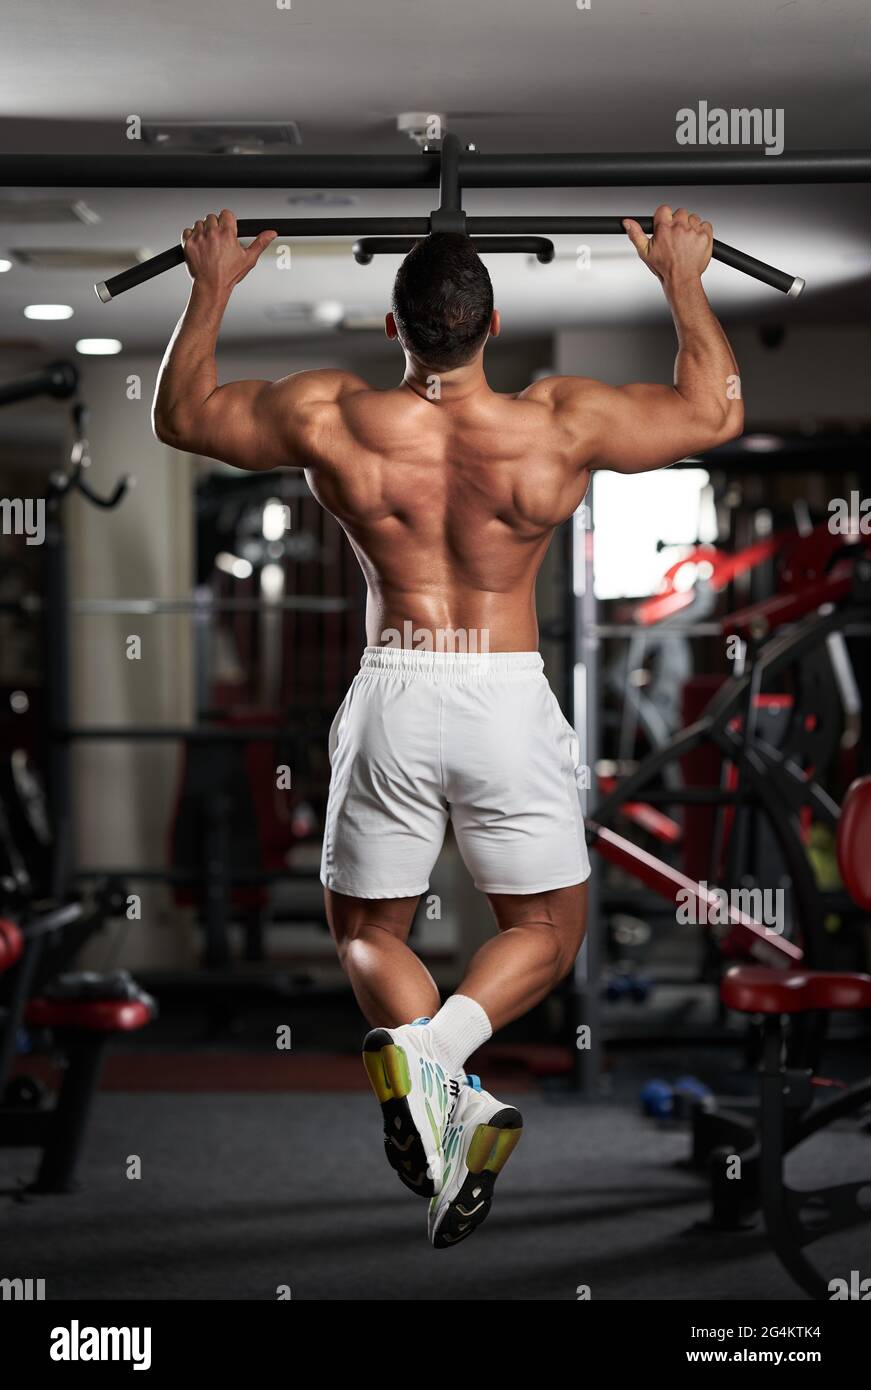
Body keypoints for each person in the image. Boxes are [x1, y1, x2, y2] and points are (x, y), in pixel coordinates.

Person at [153, 205, 743, 1247]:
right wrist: (683, 279)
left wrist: (211, 285)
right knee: (545, 933)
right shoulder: (556, 422)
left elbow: (183, 416)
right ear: (492, 323)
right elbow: (711, 415)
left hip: (395, 687)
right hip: (504, 691)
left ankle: (436, 1069)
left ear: (395, 328)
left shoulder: (334, 416)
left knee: (367, 934)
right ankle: (444, 1061)